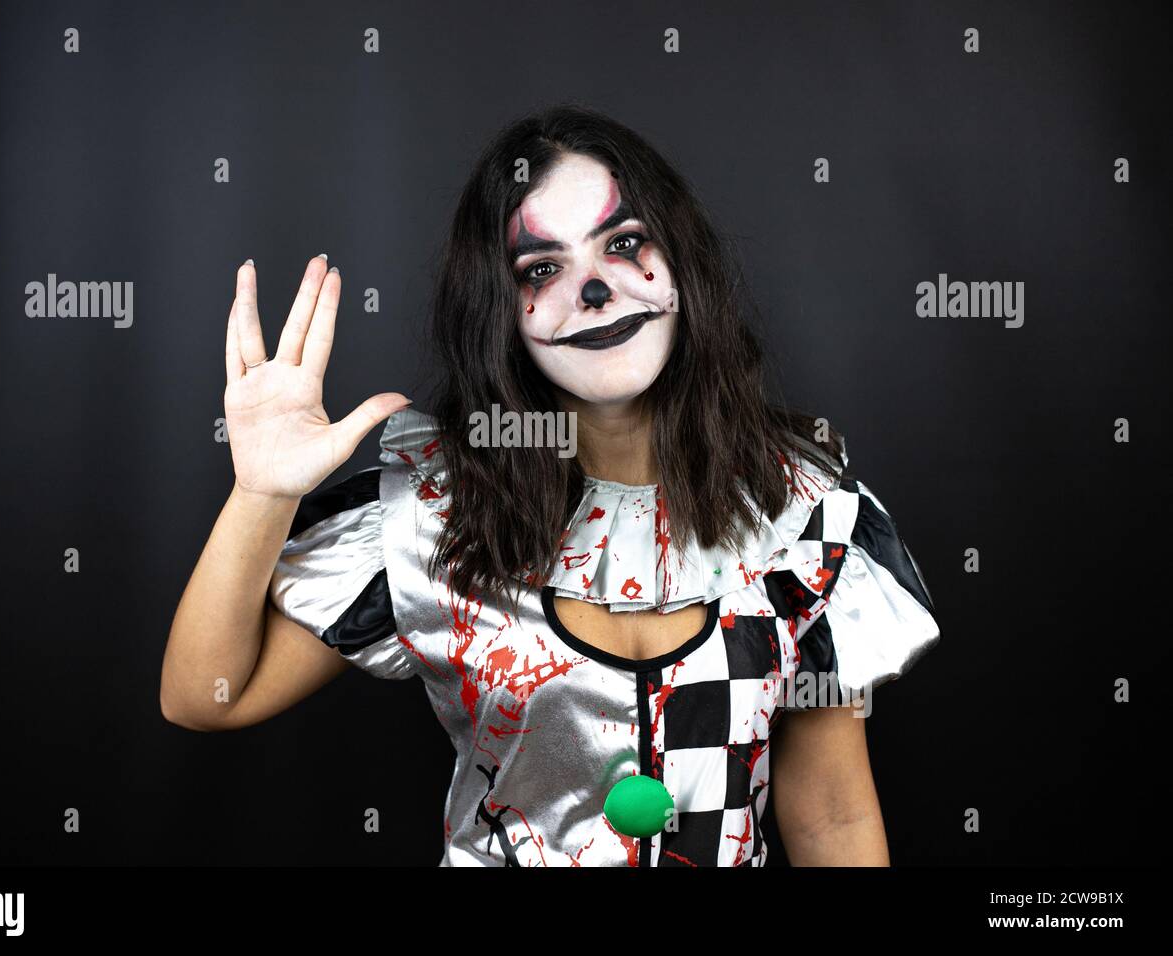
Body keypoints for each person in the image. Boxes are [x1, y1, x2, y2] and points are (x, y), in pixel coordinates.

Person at [160, 104, 941, 867]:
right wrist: (262, 495)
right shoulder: (432, 515)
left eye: (624, 243)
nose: (594, 291)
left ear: (682, 264)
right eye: (543, 267)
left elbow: (834, 820)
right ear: (500, 310)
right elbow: (205, 697)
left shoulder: (802, 517)